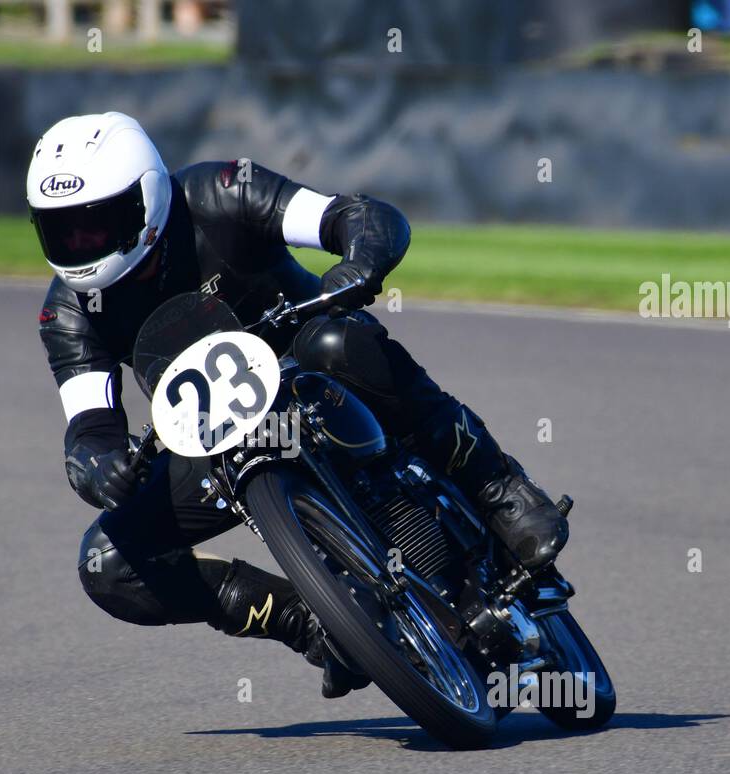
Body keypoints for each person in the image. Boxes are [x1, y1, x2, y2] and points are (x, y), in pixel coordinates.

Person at [30, 112, 568, 698]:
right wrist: (99, 465)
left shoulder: (221, 193)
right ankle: (314, 623)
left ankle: (501, 488)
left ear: (147, 199)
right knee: (108, 562)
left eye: (96, 225)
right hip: (218, 440)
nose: (82, 246)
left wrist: (360, 259)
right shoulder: (69, 312)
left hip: (318, 365)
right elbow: (89, 425)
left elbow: (355, 216)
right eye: (63, 233)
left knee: (335, 341)